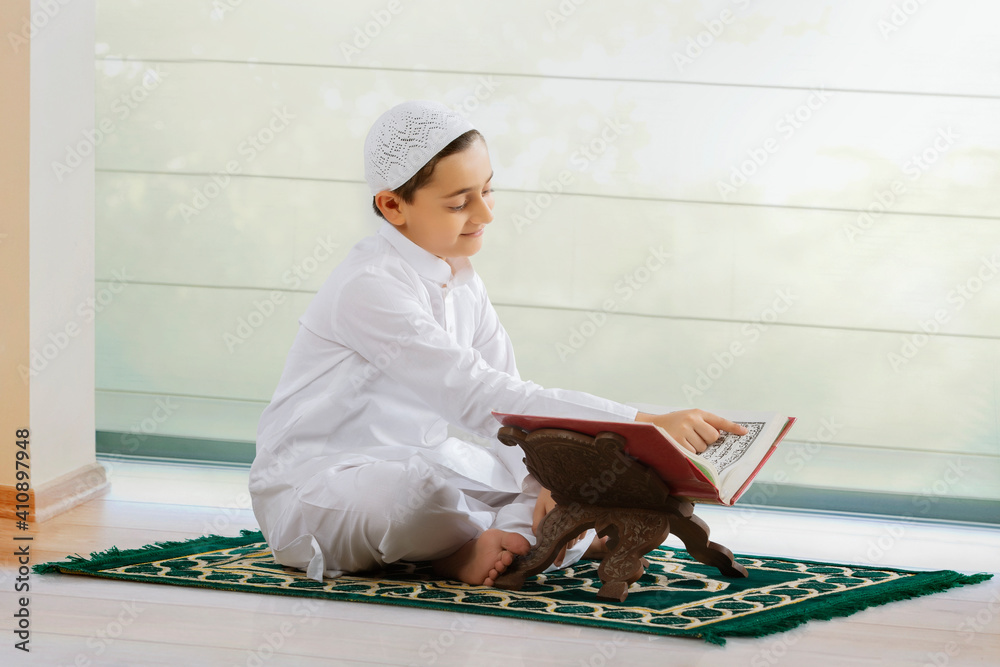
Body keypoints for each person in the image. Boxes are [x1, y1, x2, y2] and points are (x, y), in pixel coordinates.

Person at [248, 100, 746, 587]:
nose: (485, 212)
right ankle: (461, 552)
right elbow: (478, 397)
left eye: (488, 190)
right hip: (320, 486)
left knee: (539, 493)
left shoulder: (462, 279)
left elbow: (511, 410)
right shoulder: (368, 285)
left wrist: (550, 483)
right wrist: (643, 421)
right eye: (460, 202)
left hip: (422, 466)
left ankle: (511, 542)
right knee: (416, 496)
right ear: (393, 205)